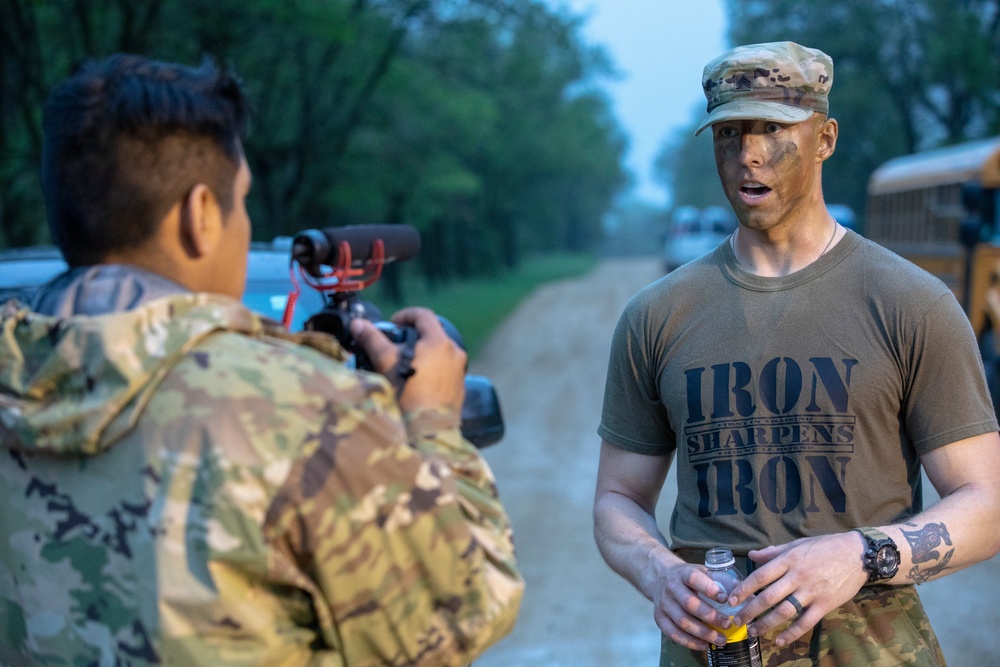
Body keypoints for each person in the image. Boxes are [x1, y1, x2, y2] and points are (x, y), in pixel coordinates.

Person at [0, 53, 523, 666]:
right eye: (242, 200)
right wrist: (432, 422)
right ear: (200, 215)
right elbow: (463, 615)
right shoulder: (302, 411)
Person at [593, 41, 1000, 666]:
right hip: (711, 651)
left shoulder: (911, 304)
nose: (748, 154)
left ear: (825, 139)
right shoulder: (658, 314)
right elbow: (618, 499)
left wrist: (861, 554)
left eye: (774, 129)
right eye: (729, 133)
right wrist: (659, 572)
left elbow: (987, 504)